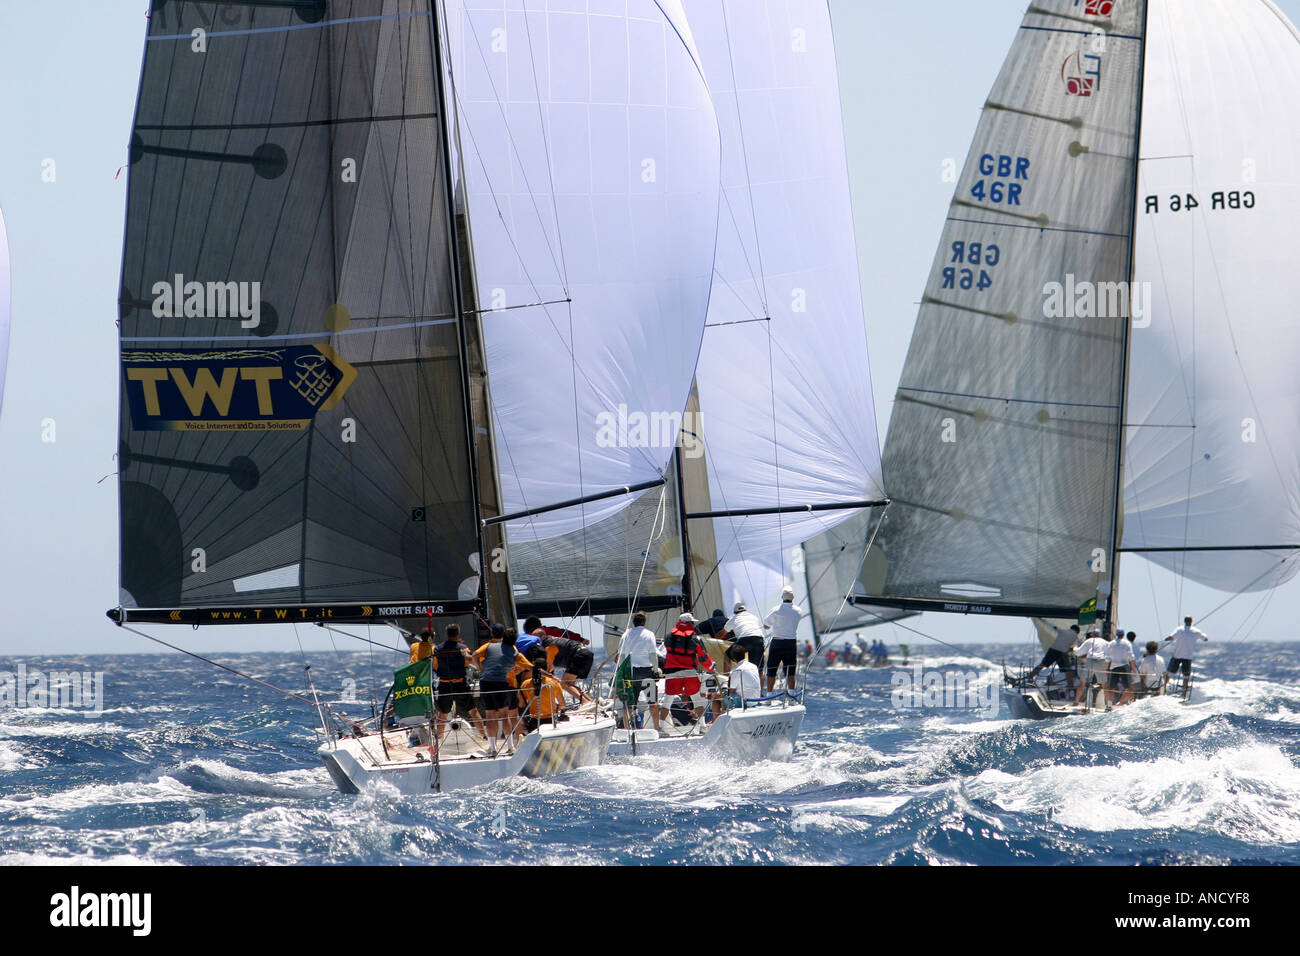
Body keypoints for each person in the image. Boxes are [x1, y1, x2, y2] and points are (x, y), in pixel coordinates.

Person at [473, 624, 532, 755]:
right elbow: (528, 665)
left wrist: (480, 669)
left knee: (490, 716)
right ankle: (511, 747)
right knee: (506, 716)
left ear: (492, 634)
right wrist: (518, 669)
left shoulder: (488, 646)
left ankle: (493, 748)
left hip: (486, 682)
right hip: (504, 684)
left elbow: (474, 655)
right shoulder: (512, 649)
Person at [657, 612, 716, 725]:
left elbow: (665, 652)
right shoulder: (695, 638)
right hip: (689, 673)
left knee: (667, 702)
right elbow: (703, 657)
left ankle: (660, 728)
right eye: (693, 623)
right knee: (697, 699)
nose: (694, 625)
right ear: (689, 623)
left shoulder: (668, 637)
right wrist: (711, 668)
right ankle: (703, 726)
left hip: (672, 673)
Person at [431, 622, 481, 736]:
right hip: (460, 684)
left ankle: (439, 740)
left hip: (444, 684)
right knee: (473, 711)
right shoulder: (463, 648)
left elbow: (434, 666)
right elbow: (470, 661)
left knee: (442, 715)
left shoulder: (437, 649)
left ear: (447, 634)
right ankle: (484, 736)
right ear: (458, 634)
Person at [617, 610, 662, 730]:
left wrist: (621, 671)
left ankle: (628, 729)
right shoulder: (649, 634)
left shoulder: (626, 634)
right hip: (646, 672)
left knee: (629, 704)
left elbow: (620, 655)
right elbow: (653, 654)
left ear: (634, 622)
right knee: (653, 702)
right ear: (644, 622)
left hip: (630, 674)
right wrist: (656, 670)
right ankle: (657, 728)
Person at [518, 651, 575, 731]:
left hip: (534, 722)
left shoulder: (524, 684)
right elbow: (562, 704)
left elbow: (521, 705)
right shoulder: (554, 683)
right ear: (546, 669)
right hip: (550, 720)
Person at [762, 586, 802, 692]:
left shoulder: (775, 610)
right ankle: (791, 694)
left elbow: (766, 625)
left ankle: (769, 695)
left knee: (771, 670)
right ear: (793, 597)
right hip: (791, 644)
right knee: (791, 671)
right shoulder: (799, 610)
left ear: (782, 597)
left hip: (777, 643)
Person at [542, 629, 594, 702]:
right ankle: (590, 701)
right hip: (586, 654)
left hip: (579, 655)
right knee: (570, 684)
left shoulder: (549, 646)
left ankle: (585, 702)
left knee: (564, 683)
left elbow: (549, 667)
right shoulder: (554, 640)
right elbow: (552, 666)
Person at [1163, 615, 1208, 691]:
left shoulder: (1179, 629)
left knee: (1169, 672)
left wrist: (1166, 639)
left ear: (1184, 621)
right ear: (1191, 621)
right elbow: (1205, 639)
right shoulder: (1196, 631)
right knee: (1186, 675)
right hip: (1188, 657)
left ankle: (1163, 688)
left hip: (1177, 655)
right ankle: (1184, 690)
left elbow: (1171, 637)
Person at [1073, 627, 1110, 706]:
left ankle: (1076, 702)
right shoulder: (1105, 642)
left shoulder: (1089, 641)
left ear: (1093, 634)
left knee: (1082, 683)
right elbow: (1109, 654)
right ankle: (1108, 705)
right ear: (1099, 635)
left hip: (1090, 661)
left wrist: (1074, 647)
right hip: (1100, 661)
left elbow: (1078, 652)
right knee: (1104, 685)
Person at [723, 601, 766, 668]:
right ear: (745, 610)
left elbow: (723, 632)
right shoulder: (754, 617)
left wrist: (717, 638)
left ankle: (729, 676)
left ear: (735, 612)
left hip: (745, 640)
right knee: (757, 669)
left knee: (727, 655)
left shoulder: (734, 619)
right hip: (759, 640)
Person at [1105, 623, 1136, 708]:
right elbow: (1131, 658)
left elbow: (1107, 659)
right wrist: (1134, 670)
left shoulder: (1111, 643)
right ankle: (1132, 705)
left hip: (1114, 667)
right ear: (1123, 635)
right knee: (1129, 688)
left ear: (1116, 634)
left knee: (1111, 688)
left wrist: (1106, 669)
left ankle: (1109, 706)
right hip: (1124, 667)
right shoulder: (1127, 643)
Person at [723, 643, 761, 711]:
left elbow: (731, 691)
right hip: (755, 700)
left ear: (733, 659)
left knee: (718, 697)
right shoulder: (754, 666)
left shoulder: (737, 670)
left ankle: (717, 717)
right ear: (744, 654)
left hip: (745, 702)